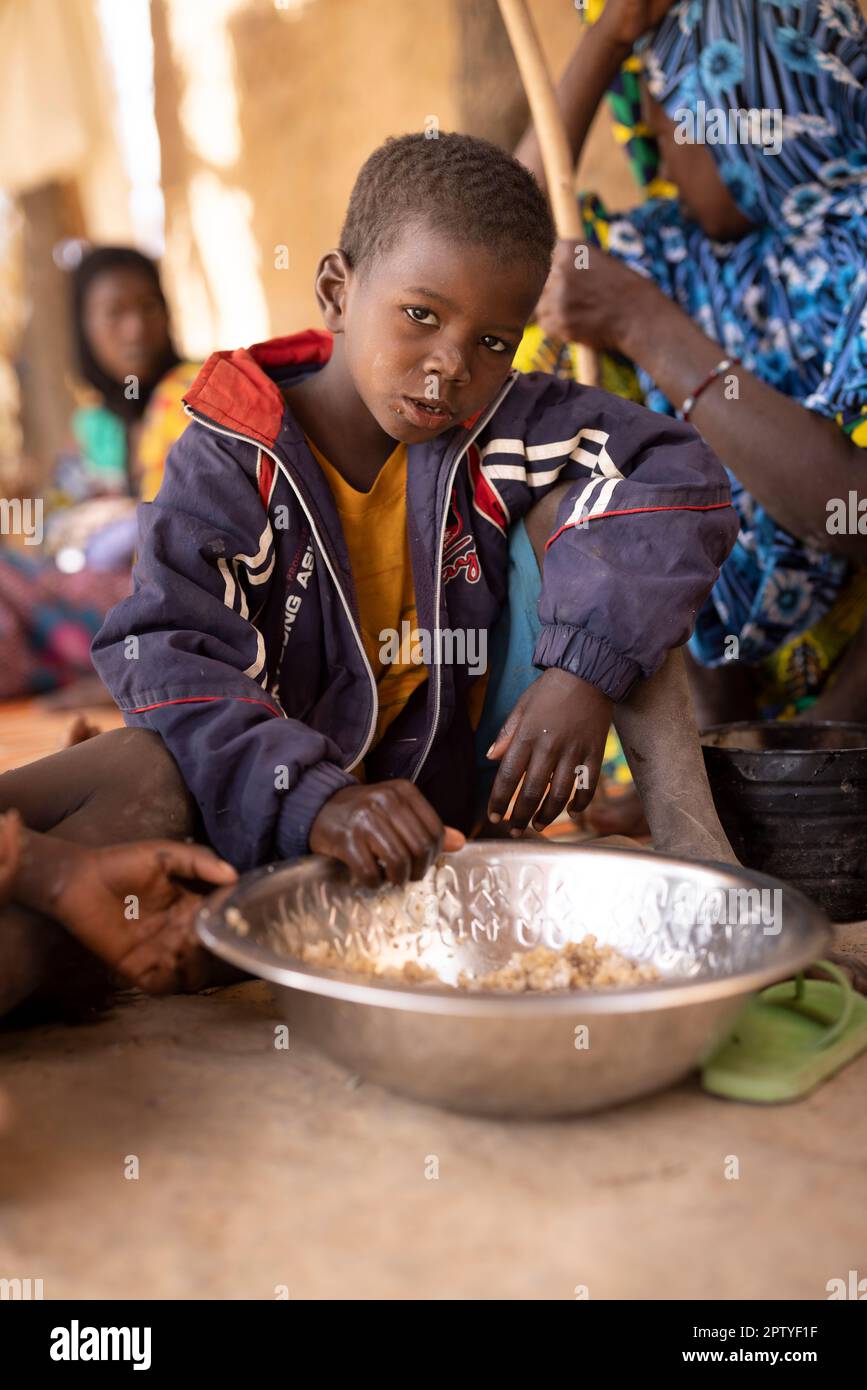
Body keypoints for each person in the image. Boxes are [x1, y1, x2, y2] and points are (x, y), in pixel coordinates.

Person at [84, 130, 739, 887]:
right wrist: (314, 799)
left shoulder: (501, 422)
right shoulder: (236, 455)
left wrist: (581, 672)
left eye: (494, 340)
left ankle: (700, 861)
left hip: (453, 799)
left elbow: (676, 470)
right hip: (281, 817)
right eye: (421, 315)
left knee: (607, 524)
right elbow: (166, 648)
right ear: (335, 290)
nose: (452, 365)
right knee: (127, 796)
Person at [516, 0, 867, 731]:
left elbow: (850, 507)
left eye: (673, 109)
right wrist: (608, 36)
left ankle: (819, 755)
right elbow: (496, 246)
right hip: (719, 670)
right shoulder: (675, 248)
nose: (651, 134)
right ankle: (693, 739)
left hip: (832, 685)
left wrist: (644, 324)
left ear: (752, 110)